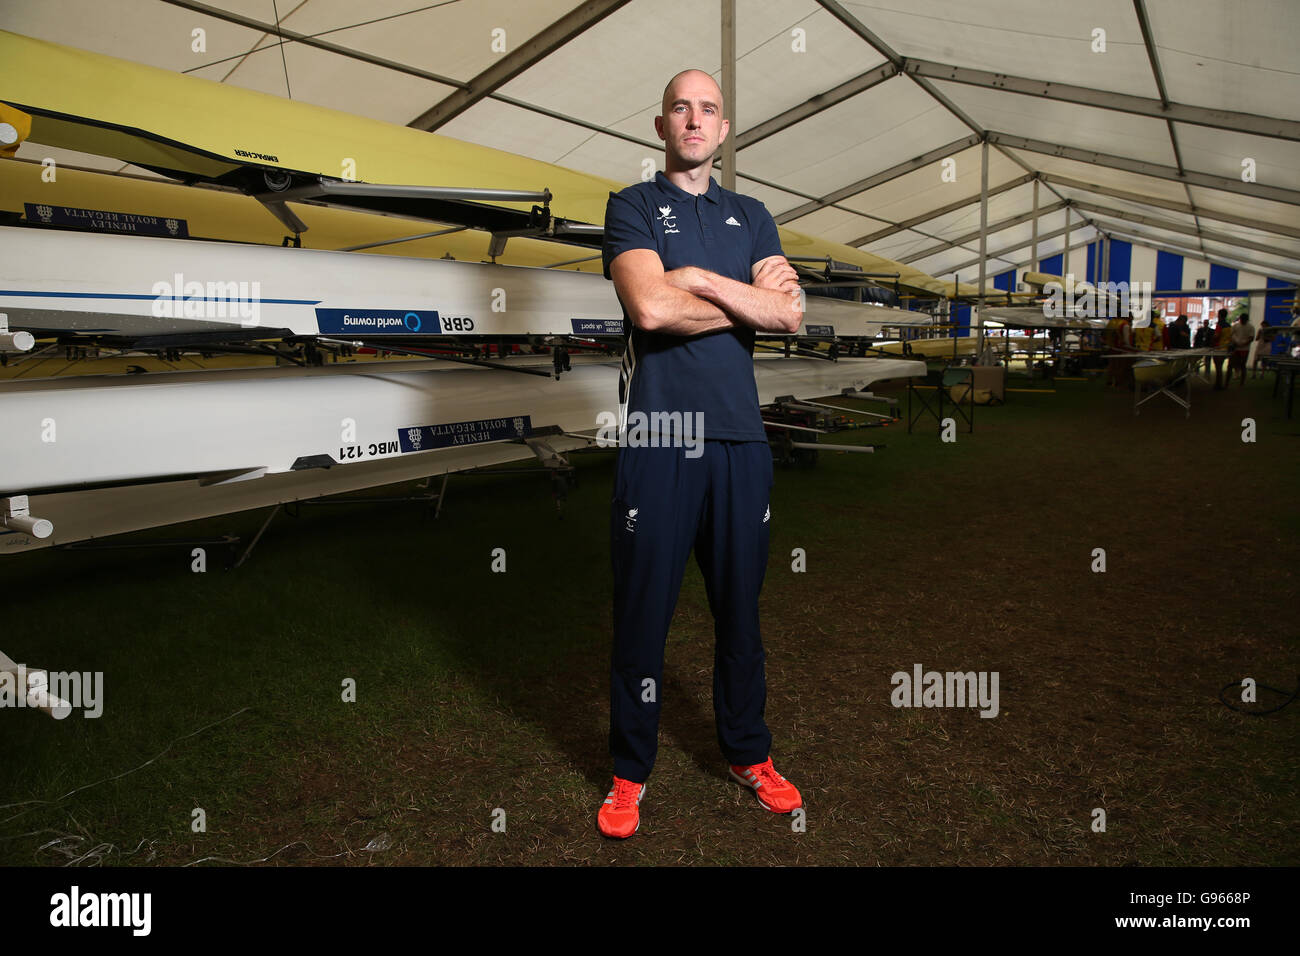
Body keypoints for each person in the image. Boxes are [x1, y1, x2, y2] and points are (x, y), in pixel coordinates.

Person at [597, 69, 804, 839]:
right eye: (681, 107)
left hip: (741, 440)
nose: (694, 119)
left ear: (723, 131)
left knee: (740, 614)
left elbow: (788, 317)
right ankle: (628, 772)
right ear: (661, 126)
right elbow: (648, 307)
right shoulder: (633, 205)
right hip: (659, 437)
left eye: (708, 109)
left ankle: (748, 752)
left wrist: (699, 280)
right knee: (643, 612)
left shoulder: (752, 215)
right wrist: (741, 301)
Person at [1228, 308, 1255, 387]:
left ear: (1246, 320)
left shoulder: (1250, 327)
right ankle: (1228, 381)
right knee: (1231, 365)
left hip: (1244, 348)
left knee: (1243, 365)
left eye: (1244, 320)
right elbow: (1231, 335)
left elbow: (1251, 338)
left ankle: (1242, 383)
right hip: (1236, 348)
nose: (1242, 321)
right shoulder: (1235, 326)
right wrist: (1234, 342)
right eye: (1242, 319)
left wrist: (1243, 344)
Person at [1212, 308, 1232, 389]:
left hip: (1219, 347)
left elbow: (1217, 335)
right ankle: (1220, 383)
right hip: (1225, 347)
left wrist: (1212, 337)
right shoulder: (1228, 325)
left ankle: (1218, 384)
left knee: (1218, 367)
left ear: (1219, 315)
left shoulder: (1219, 324)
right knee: (1220, 366)